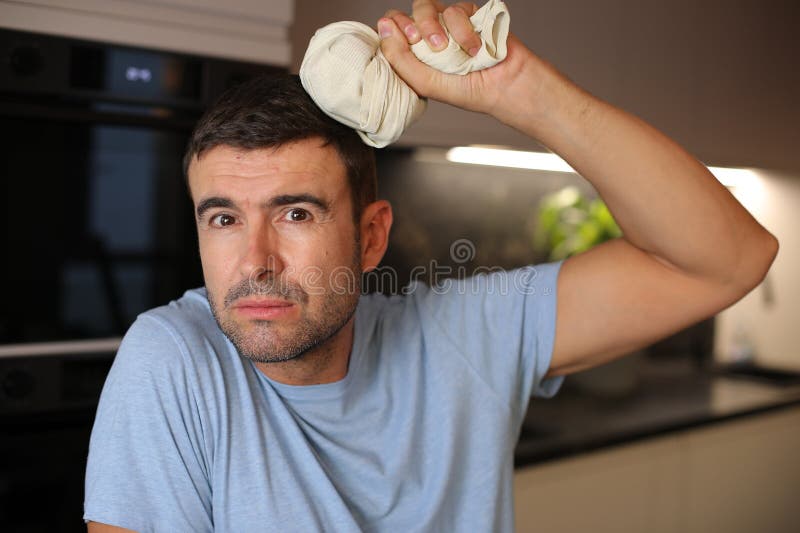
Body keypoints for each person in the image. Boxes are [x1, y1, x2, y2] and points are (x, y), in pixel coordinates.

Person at [83, 2, 778, 532]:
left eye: (296, 213)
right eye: (224, 218)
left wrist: (521, 91)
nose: (255, 261)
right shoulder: (174, 361)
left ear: (371, 237)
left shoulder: (463, 337)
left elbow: (729, 259)